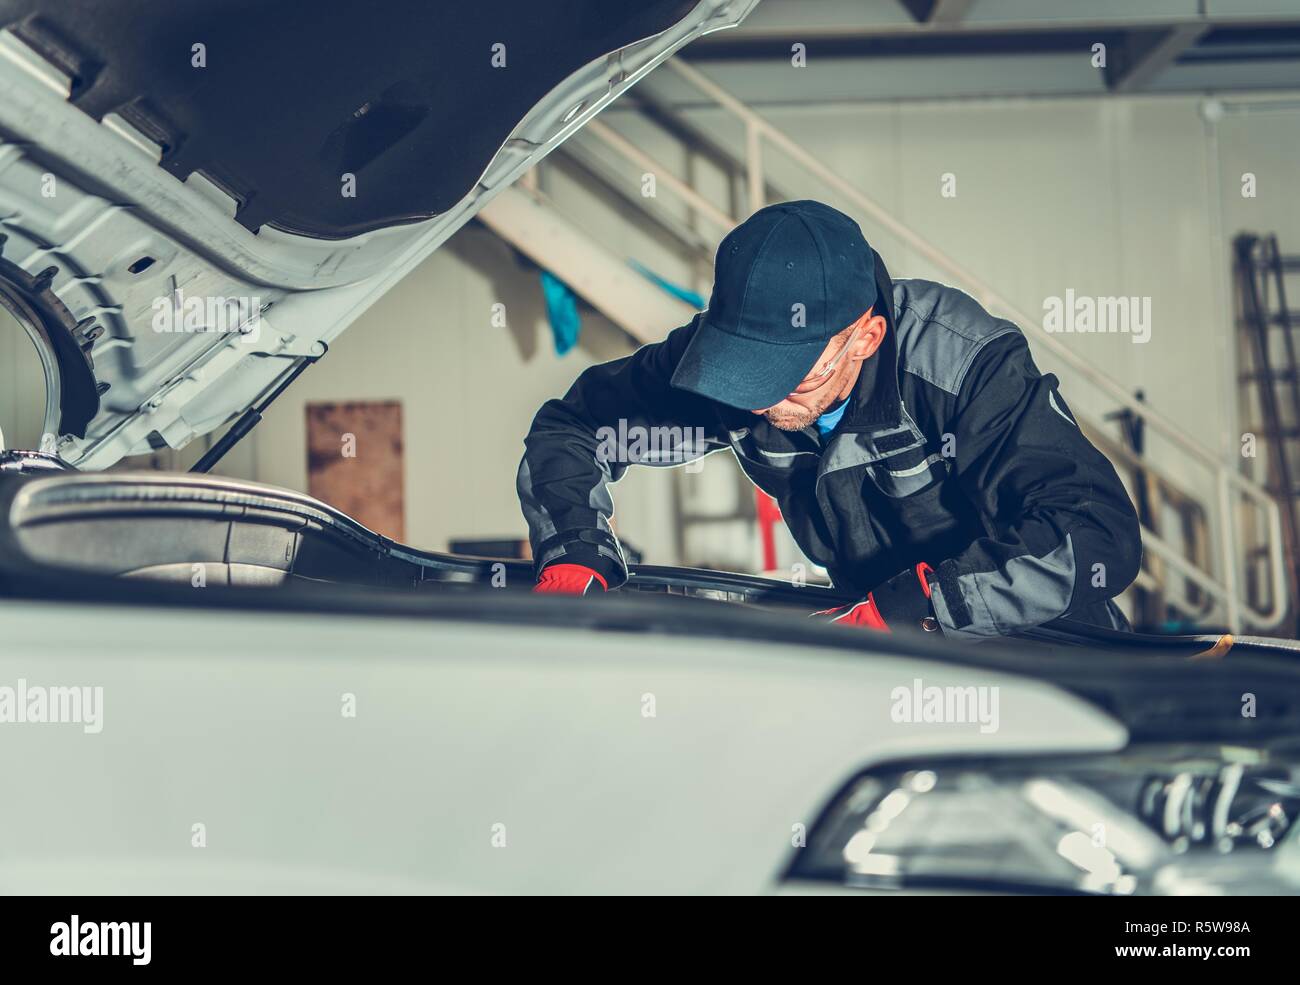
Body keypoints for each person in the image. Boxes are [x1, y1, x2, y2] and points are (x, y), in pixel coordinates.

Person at [516, 200, 1140, 639]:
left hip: (1047, 650)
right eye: (748, 373)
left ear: (866, 337)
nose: (761, 402)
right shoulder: (721, 363)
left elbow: (1096, 535)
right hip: (877, 646)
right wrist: (575, 550)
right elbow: (576, 430)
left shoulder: (960, 366)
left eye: (793, 375)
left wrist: (919, 608)